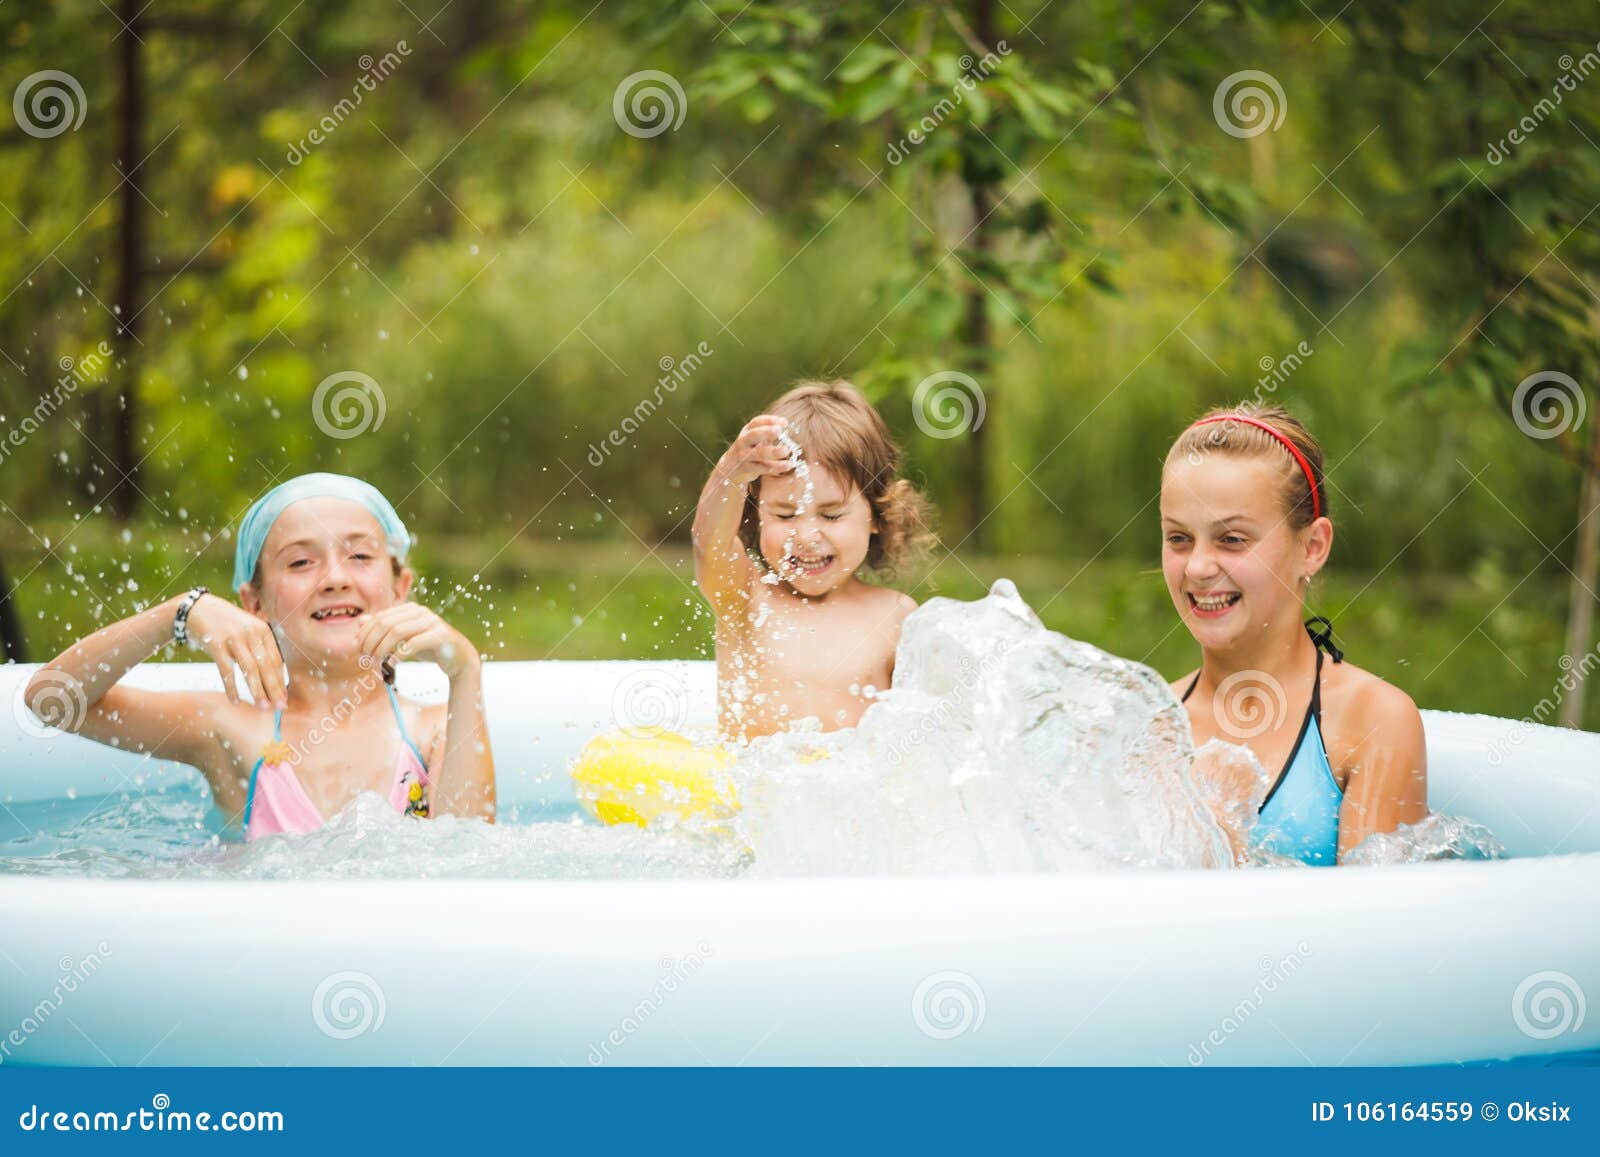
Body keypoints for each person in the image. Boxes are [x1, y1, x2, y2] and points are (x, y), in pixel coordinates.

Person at [24, 473, 496, 839]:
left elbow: (468, 856)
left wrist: (465, 670)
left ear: (400, 589)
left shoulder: (434, 731)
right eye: (300, 562)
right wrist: (179, 613)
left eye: (359, 556)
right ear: (254, 604)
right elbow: (50, 700)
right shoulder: (229, 729)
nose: (334, 577)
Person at [1160, 405, 1427, 864]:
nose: (1199, 567)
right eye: (1179, 539)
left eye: (1232, 540)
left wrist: (1227, 854)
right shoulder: (1152, 728)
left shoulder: (1373, 724)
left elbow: (1379, 928)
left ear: (1313, 547)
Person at [692, 380, 933, 742]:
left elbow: (923, 735)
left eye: (831, 516)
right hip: (755, 795)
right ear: (755, 514)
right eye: (785, 515)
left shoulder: (895, 616)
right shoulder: (745, 597)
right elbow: (708, 543)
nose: (805, 537)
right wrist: (732, 472)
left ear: (878, 515)